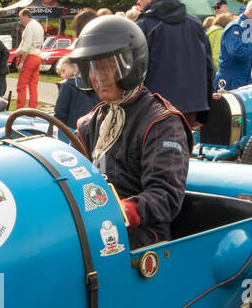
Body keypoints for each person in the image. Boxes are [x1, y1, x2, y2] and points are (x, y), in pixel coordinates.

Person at [70, 15, 190, 248]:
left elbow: (166, 195)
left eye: (109, 65)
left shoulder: (161, 122)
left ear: (133, 63)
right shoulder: (88, 123)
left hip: (144, 234)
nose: (99, 75)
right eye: (92, 66)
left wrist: (122, 211)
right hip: (94, 225)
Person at [133, 0, 213, 127]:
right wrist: (203, 109)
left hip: (154, 109)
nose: (139, 0)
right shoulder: (195, 23)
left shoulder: (144, 26)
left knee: (156, 151)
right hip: (190, 108)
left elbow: (134, 74)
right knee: (182, 150)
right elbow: (208, 67)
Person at [216, 0, 252, 90]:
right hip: (230, 80)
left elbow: (247, 52)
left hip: (243, 79)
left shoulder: (250, 28)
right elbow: (237, 52)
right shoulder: (236, 27)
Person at [53, 57, 96, 130]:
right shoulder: (94, 85)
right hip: (89, 129)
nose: (62, 75)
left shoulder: (67, 86)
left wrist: (57, 127)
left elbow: (60, 111)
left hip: (69, 131)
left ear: (75, 67)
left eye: (63, 71)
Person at [15, 7, 44, 109]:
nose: (20, 21)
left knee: (21, 86)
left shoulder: (29, 27)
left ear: (26, 16)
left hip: (30, 56)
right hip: (38, 56)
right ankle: (32, 110)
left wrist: (22, 62)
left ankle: (20, 109)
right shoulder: (38, 25)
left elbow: (26, 47)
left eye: (21, 18)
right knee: (33, 86)